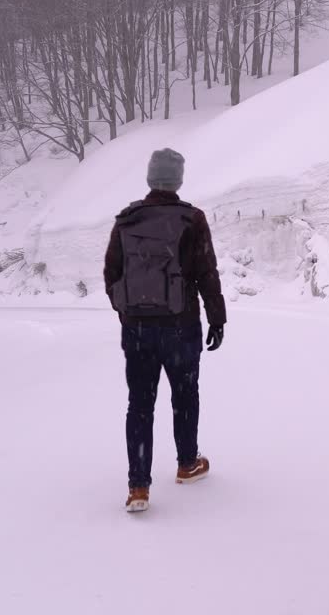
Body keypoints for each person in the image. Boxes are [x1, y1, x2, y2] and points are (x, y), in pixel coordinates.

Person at [104, 148, 226, 513]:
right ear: (178, 180)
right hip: (181, 327)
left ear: (149, 178)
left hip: (138, 330)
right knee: (185, 396)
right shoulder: (191, 219)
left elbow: (111, 274)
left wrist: (127, 315)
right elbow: (207, 271)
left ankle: (138, 486)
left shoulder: (127, 220)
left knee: (140, 404)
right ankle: (187, 463)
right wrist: (217, 318)